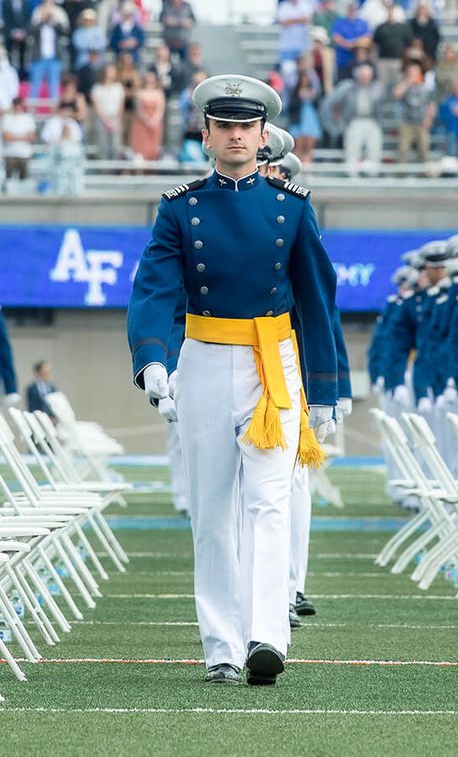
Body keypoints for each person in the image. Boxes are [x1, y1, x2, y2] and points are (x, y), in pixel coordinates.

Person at [126, 74, 339, 687]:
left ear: (263, 134)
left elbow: (318, 301)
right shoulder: (180, 207)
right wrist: (153, 361)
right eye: (225, 126)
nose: (237, 135)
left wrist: (325, 387)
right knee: (213, 510)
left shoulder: (292, 208)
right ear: (207, 135)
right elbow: (155, 288)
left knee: (269, 502)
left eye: (247, 126)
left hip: (273, 363)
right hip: (205, 358)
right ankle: (222, 644)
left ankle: (267, 636)